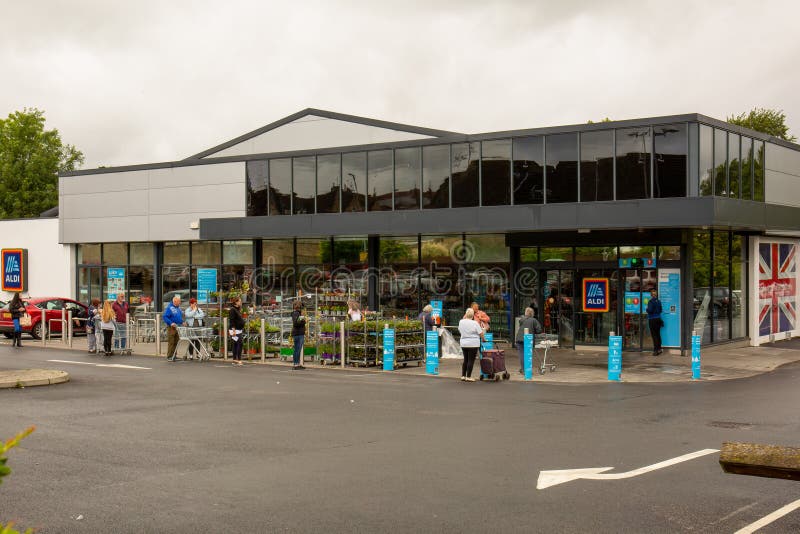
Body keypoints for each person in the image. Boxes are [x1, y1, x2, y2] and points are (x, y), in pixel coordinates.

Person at [458, 308, 484, 382]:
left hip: (463, 343)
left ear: (466, 314)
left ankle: (463, 375)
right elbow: (480, 333)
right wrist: (483, 339)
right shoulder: (475, 323)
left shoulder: (461, 322)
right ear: (473, 316)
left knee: (465, 359)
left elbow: (459, 330)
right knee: (471, 360)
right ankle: (468, 376)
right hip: (473, 343)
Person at [515, 307, 543, 374]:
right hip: (528, 339)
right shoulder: (534, 320)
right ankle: (526, 370)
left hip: (519, 338)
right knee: (527, 354)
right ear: (532, 313)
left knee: (521, 354)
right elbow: (539, 330)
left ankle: (523, 369)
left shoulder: (522, 320)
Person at [163, 295, 184, 361]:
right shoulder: (170, 308)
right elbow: (165, 317)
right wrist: (171, 323)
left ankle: (174, 355)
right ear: (175, 301)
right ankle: (169, 356)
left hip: (177, 327)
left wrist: (182, 322)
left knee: (176, 341)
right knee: (171, 342)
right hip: (171, 327)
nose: (179, 302)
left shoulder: (178, 308)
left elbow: (178, 317)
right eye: (178, 301)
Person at [228, 297, 245, 366]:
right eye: (240, 301)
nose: (241, 302)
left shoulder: (238, 309)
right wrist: (234, 330)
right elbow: (232, 321)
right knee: (239, 344)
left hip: (239, 330)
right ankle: (239, 359)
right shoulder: (232, 310)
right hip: (235, 330)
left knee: (235, 344)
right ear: (236, 302)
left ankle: (234, 359)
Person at [646, 288, 663, 356]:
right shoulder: (658, 301)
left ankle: (655, 351)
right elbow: (661, 310)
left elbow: (650, 310)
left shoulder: (651, 302)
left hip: (652, 319)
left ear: (651, 295)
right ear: (656, 295)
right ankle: (659, 349)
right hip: (658, 319)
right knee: (658, 334)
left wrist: (647, 309)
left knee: (654, 335)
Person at [291, 300, 307, 370]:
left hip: (299, 333)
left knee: (298, 349)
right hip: (298, 333)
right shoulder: (295, 313)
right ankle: (296, 364)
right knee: (297, 349)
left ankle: (297, 363)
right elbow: (296, 323)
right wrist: (303, 321)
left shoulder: (298, 313)